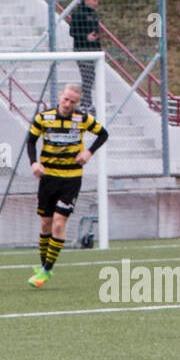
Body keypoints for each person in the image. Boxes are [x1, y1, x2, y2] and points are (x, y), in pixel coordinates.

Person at [26, 83, 108, 288]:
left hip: (71, 179)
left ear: (77, 103)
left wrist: (88, 153)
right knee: (45, 223)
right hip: (48, 178)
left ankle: (46, 270)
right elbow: (30, 141)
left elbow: (103, 134)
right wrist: (34, 163)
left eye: (72, 101)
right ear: (60, 97)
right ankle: (44, 265)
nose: (67, 104)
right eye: (65, 99)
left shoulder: (81, 119)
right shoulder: (44, 117)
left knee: (59, 223)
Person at [69, 0, 102, 112]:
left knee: (90, 77)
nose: (96, 3)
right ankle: (85, 102)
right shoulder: (78, 14)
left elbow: (96, 32)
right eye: (94, 0)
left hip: (93, 51)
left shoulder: (93, 14)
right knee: (87, 76)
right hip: (82, 50)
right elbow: (73, 32)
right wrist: (86, 37)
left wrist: (99, 49)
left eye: (97, 1)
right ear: (87, 0)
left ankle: (85, 101)